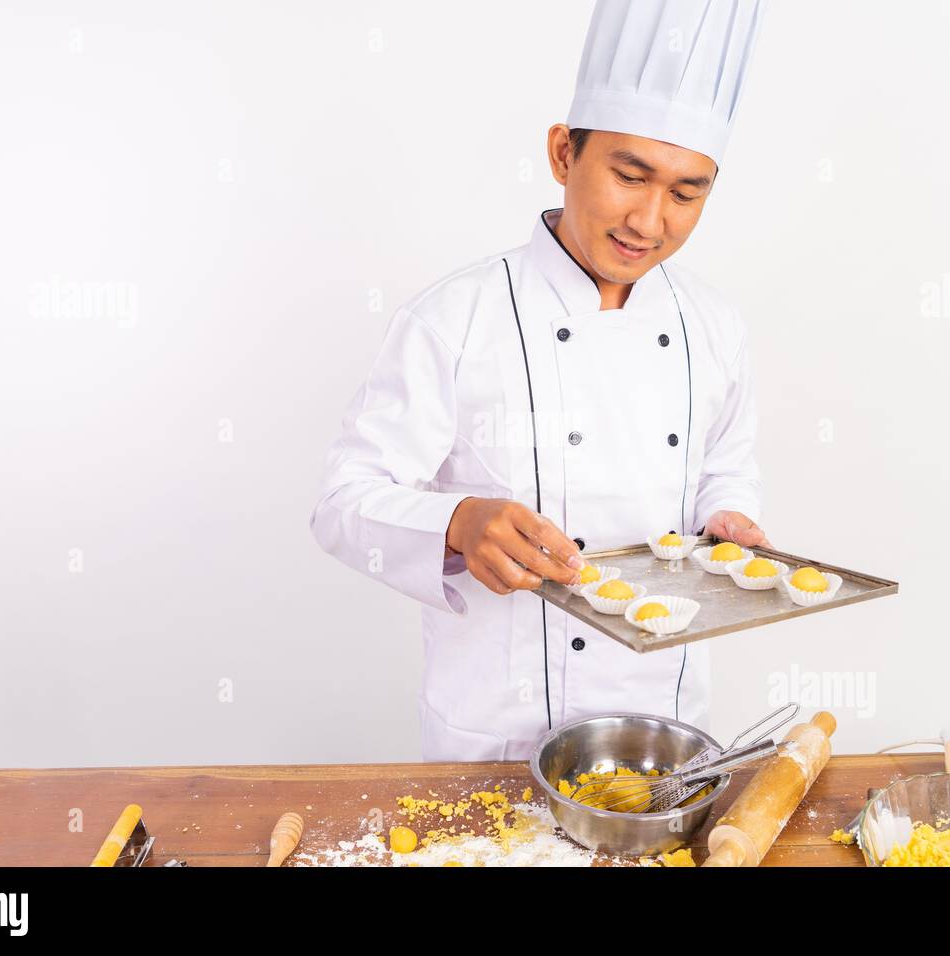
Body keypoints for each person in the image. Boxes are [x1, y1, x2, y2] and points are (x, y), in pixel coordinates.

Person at [314, 0, 769, 760]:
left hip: (667, 734)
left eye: (687, 193)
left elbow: (727, 464)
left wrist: (728, 516)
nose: (651, 221)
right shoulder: (453, 317)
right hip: (494, 738)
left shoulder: (716, 326)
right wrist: (456, 522)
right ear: (564, 153)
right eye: (630, 175)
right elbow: (342, 503)